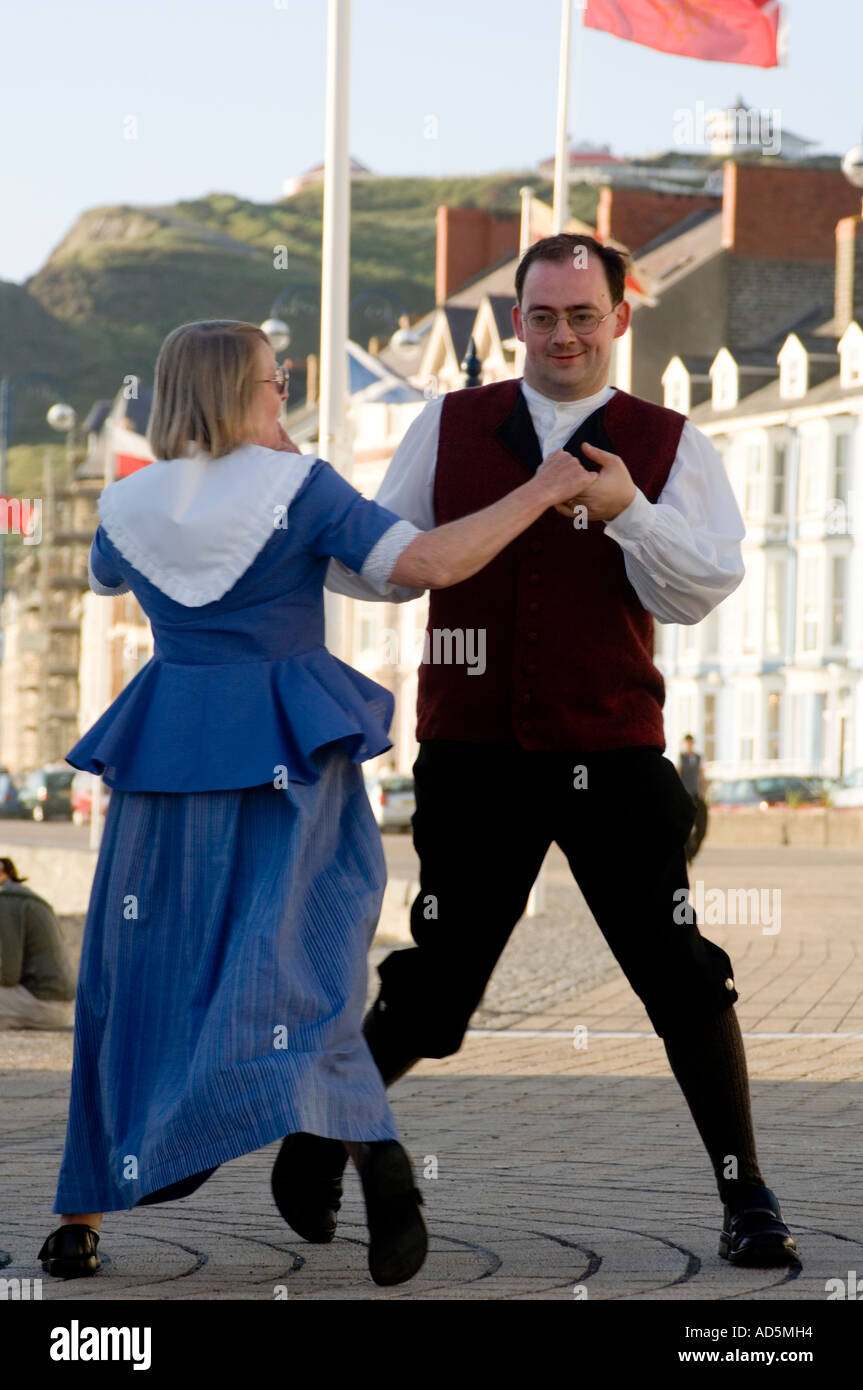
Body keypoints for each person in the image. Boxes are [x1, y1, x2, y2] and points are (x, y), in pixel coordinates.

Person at [36, 317, 596, 1286]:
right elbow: (426, 564)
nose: (283, 391)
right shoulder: (304, 490)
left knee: (137, 975)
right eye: (271, 379)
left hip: (164, 758)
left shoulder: (127, 502)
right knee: (308, 968)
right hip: (288, 755)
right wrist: (542, 489)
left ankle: (83, 1216)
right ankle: (369, 1152)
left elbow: (107, 574)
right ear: (234, 390)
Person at [311, 234, 799, 1269]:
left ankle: (744, 1191)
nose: (564, 334)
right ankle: (321, 1129)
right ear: (514, 323)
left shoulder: (669, 442)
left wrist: (629, 514)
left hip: (612, 748)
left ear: (620, 318)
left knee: (680, 977)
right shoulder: (443, 427)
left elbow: (701, 587)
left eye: (583, 314)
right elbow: (380, 565)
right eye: (543, 315)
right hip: (470, 752)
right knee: (435, 995)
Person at [0, 857, 76, 1030]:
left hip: (44, 1004)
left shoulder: (6, 899)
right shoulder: (24, 896)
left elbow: (9, 975)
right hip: (60, 1004)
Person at [679, 734, 709, 863]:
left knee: (700, 827)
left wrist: (703, 792)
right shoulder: (681, 758)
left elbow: (702, 776)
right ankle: (687, 853)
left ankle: (691, 853)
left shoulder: (698, 758)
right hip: (685, 794)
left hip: (696, 795)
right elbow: (679, 773)